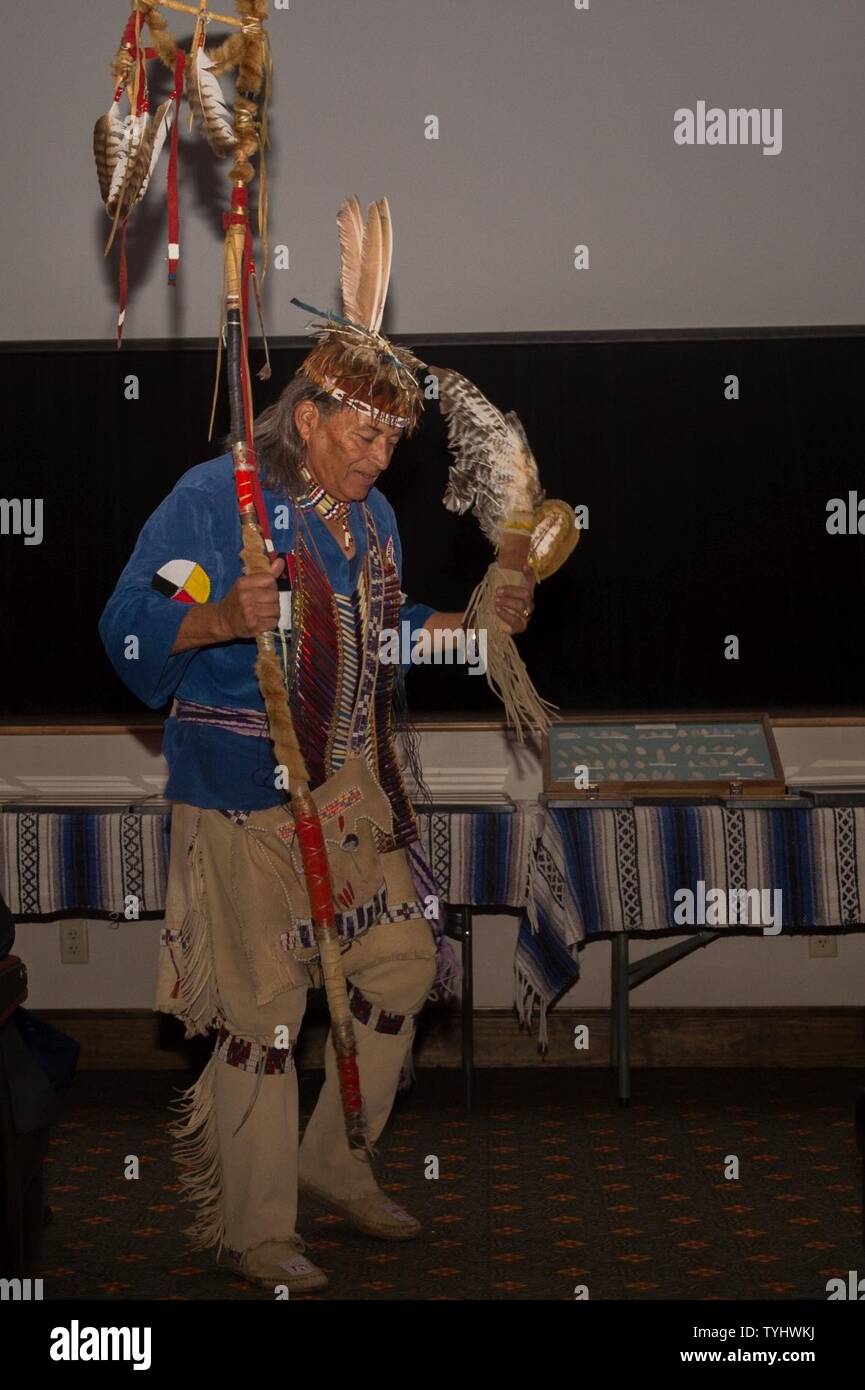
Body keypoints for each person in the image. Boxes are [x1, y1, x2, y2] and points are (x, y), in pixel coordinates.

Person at [99, 198, 535, 1293]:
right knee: (258, 1014)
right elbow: (131, 630)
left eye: (395, 438)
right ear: (309, 419)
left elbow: (382, 632)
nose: (383, 457)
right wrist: (218, 615)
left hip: (350, 796)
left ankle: (334, 1162)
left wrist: (477, 622)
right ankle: (255, 1229)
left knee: (397, 963)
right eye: (367, 434)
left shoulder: (371, 524)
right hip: (243, 799)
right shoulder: (217, 507)